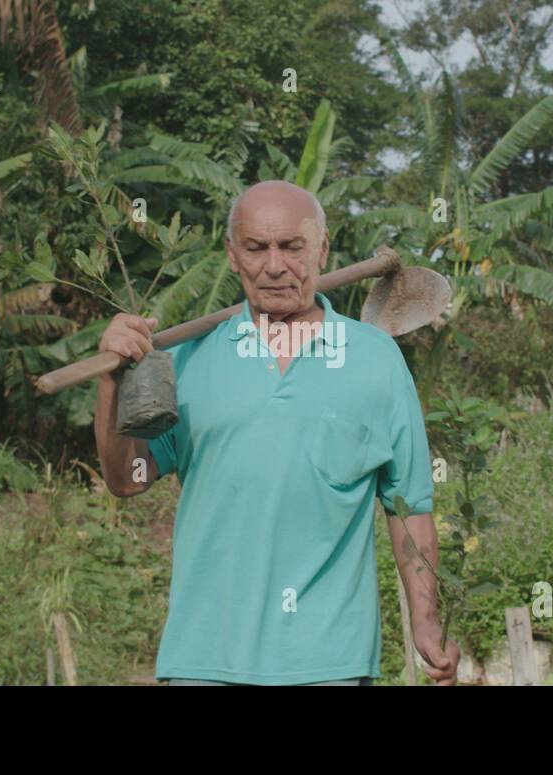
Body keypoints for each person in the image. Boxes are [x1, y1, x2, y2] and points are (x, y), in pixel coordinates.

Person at [95, 180, 459, 685]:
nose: (273, 266)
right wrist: (111, 379)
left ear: (322, 249)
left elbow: (409, 507)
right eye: (255, 247)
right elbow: (126, 479)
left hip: (331, 661)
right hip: (206, 661)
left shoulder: (376, 360)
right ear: (231, 253)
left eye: (291, 247)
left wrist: (427, 619)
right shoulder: (185, 362)